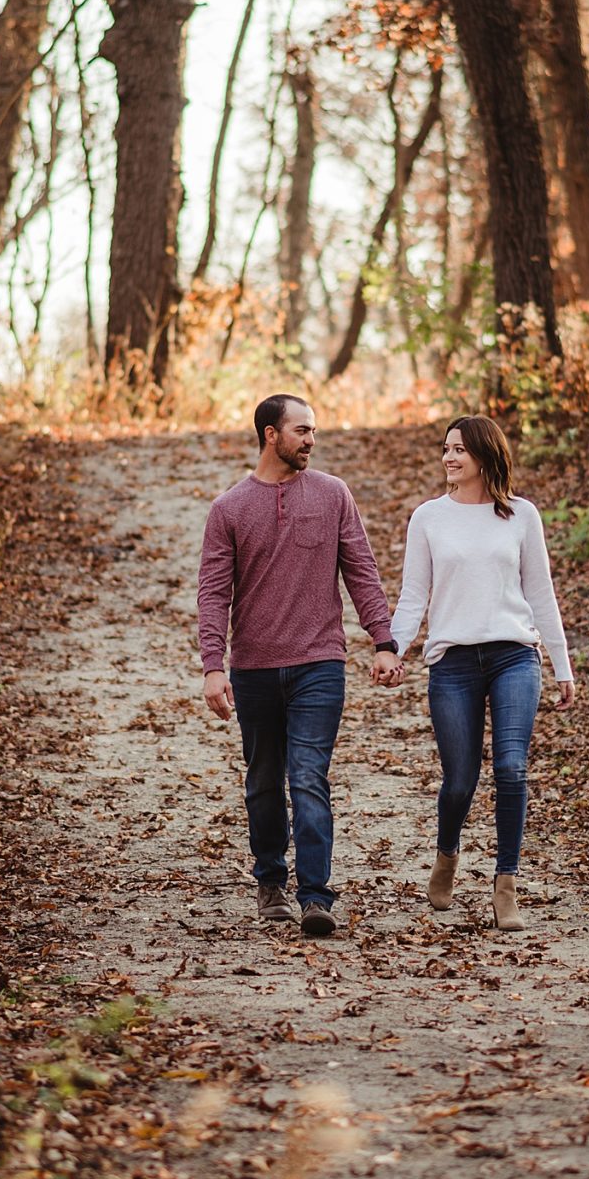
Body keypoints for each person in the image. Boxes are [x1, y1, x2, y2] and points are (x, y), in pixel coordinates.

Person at [198, 394, 401, 937]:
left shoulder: (334, 495)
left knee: (308, 777)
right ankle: (270, 882)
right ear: (271, 435)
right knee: (264, 782)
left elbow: (362, 571)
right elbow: (214, 593)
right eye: (302, 430)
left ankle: (315, 896)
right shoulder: (229, 509)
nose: (311, 439)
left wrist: (384, 640)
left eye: (313, 430)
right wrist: (212, 665)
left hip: (319, 665)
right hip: (256, 668)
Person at [384, 415, 577, 931]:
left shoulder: (521, 516)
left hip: (515, 654)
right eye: (445, 449)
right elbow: (413, 595)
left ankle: (505, 886)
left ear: (486, 456)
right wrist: (393, 648)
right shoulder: (428, 518)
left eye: (460, 450)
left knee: (512, 768)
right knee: (460, 780)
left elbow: (540, 593)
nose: (449, 458)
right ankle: (447, 855)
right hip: (453, 663)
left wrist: (561, 664)